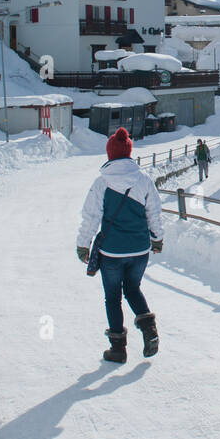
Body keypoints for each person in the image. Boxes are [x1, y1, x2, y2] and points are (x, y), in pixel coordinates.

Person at [76, 127, 163, 363]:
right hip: (140, 250)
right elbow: (153, 213)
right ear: (129, 153)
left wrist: (83, 246)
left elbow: (91, 217)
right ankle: (149, 329)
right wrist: (157, 238)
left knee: (113, 297)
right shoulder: (144, 180)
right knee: (133, 289)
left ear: (110, 154)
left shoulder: (102, 183)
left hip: (112, 252)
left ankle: (117, 349)